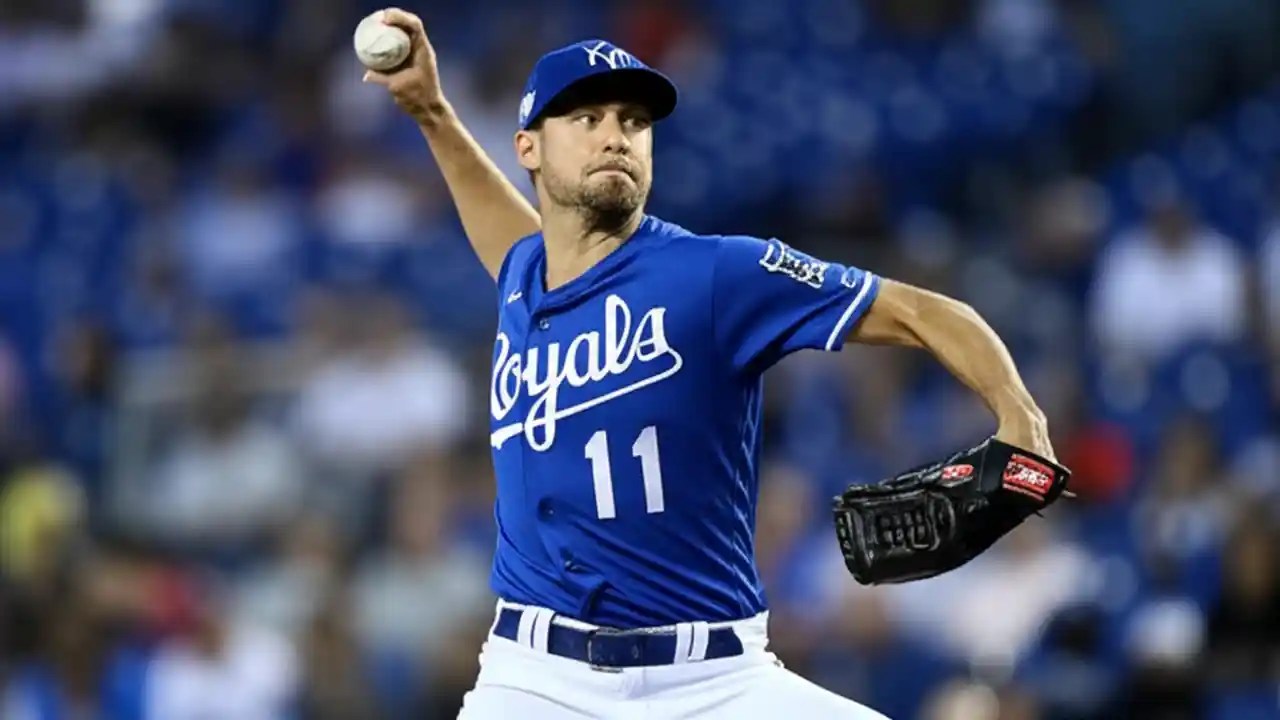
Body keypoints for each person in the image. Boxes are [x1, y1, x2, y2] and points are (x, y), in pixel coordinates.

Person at [363, 8, 1055, 718]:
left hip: (716, 681)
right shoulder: (526, 276)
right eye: (588, 117)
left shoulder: (716, 275)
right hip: (537, 681)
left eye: (634, 122)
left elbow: (924, 312)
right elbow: (500, 225)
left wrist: (1022, 418)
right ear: (529, 149)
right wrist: (432, 113)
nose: (615, 136)